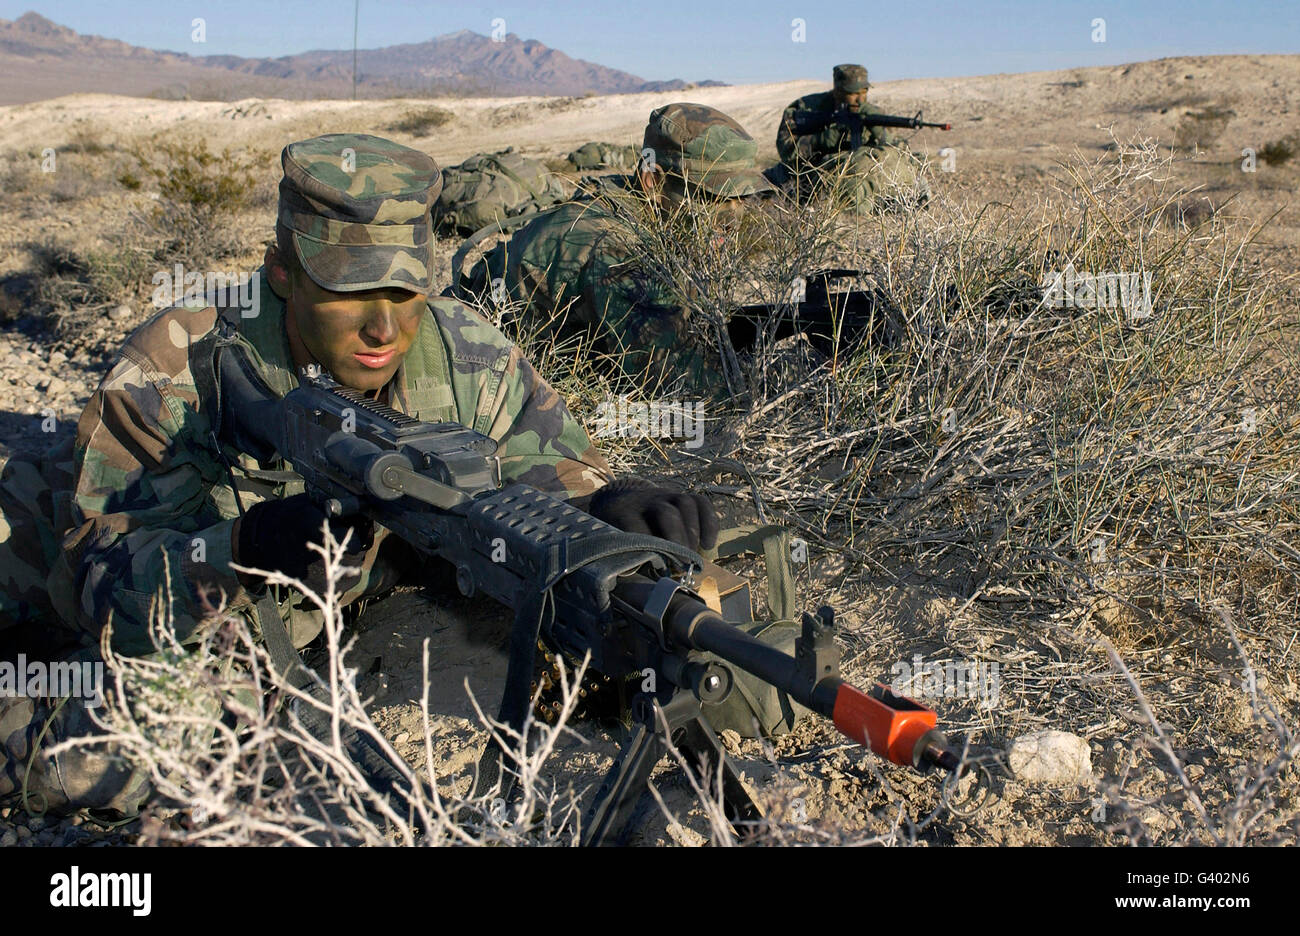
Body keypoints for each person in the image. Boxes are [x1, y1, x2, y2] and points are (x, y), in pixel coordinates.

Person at [0, 133, 727, 817]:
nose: (385, 329)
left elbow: (551, 471)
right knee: (140, 748)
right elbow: (109, 587)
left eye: (407, 292)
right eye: (351, 292)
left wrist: (604, 510)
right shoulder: (175, 368)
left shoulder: (468, 358)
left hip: (332, 614)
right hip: (87, 563)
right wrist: (246, 550)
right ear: (281, 270)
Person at [458, 103, 777, 400]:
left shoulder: (646, 210)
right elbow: (679, 389)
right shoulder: (614, 246)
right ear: (652, 181)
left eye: (741, 197)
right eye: (714, 195)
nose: (732, 215)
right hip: (477, 376)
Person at [775, 63, 929, 212]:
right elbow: (786, 150)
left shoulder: (872, 113)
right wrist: (821, 140)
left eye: (864, 92)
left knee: (913, 179)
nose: (860, 99)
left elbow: (899, 151)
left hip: (862, 173)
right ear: (838, 92)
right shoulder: (806, 107)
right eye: (853, 93)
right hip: (816, 173)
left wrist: (880, 132)